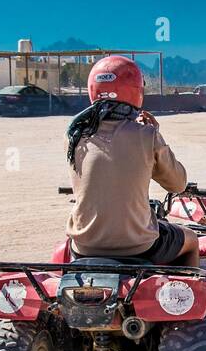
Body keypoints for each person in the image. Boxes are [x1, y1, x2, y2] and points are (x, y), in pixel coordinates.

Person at [65, 56, 197, 266]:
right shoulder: (146, 135)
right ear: (136, 91)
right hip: (138, 247)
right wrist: (156, 136)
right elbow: (177, 184)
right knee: (190, 239)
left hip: (83, 246)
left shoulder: (74, 136)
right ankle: (184, 296)